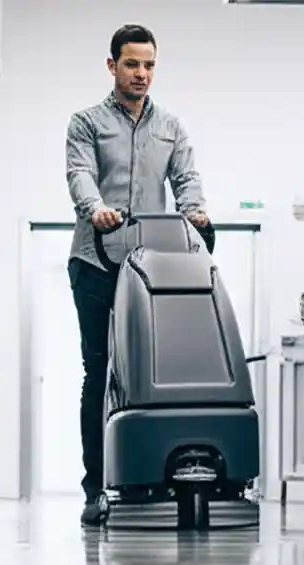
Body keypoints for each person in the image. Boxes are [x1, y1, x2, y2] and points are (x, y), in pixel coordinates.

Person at [65, 23, 209, 525]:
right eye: (132, 64)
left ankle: (151, 473)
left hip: (150, 267)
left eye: (149, 65)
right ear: (112, 66)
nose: (142, 73)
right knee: (98, 368)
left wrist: (196, 211)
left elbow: (187, 180)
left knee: (153, 370)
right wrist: (95, 207)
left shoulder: (171, 127)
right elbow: (79, 174)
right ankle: (94, 487)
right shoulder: (85, 122)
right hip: (95, 260)